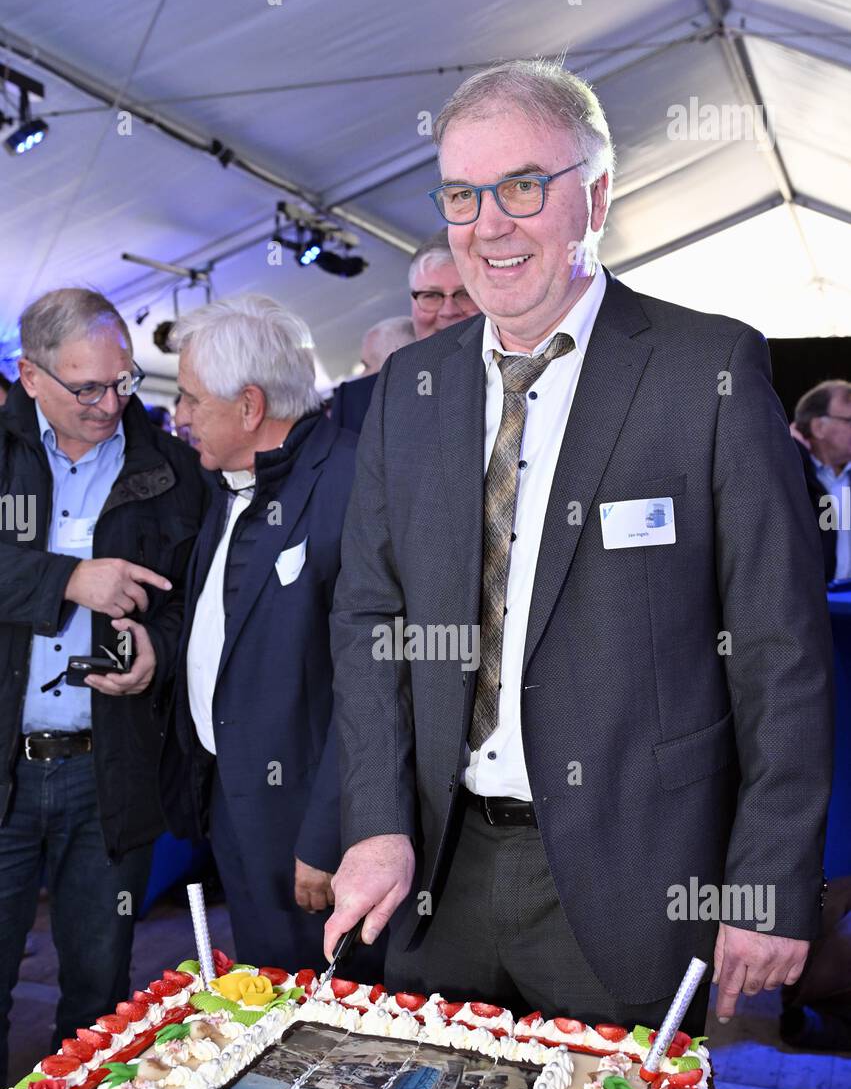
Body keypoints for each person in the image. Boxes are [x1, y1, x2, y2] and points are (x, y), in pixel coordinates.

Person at [326, 59, 833, 1034]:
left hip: (638, 881)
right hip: (441, 881)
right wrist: (377, 818)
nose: (488, 225)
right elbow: (366, 624)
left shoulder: (704, 372)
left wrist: (765, 884)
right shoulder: (411, 387)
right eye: (462, 195)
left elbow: (779, 654)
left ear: (594, 196)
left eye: (522, 186)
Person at [0, 288, 207, 1086]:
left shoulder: (174, 468)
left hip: (111, 772)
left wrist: (160, 644)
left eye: (122, 383)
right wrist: (68, 578)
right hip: (7, 773)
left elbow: (206, 602)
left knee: (97, 996)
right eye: (86, 387)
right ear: (30, 377)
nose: (108, 404)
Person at [161, 295, 360, 974]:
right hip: (236, 805)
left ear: (249, 406)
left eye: (189, 399)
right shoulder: (227, 481)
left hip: (311, 831)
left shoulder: (351, 485)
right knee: (264, 1001)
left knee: (333, 1031)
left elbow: (374, 686)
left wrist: (327, 836)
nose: (179, 416)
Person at [329, 230, 481, 434]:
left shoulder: (524, 379)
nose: (449, 311)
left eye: (465, 294)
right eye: (431, 295)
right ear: (412, 302)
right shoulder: (360, 402)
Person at [793, 380, 851, 583]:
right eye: (849, 420)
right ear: (818, 427)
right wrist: (791, 449)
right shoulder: (790, 474)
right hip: (814, 605)